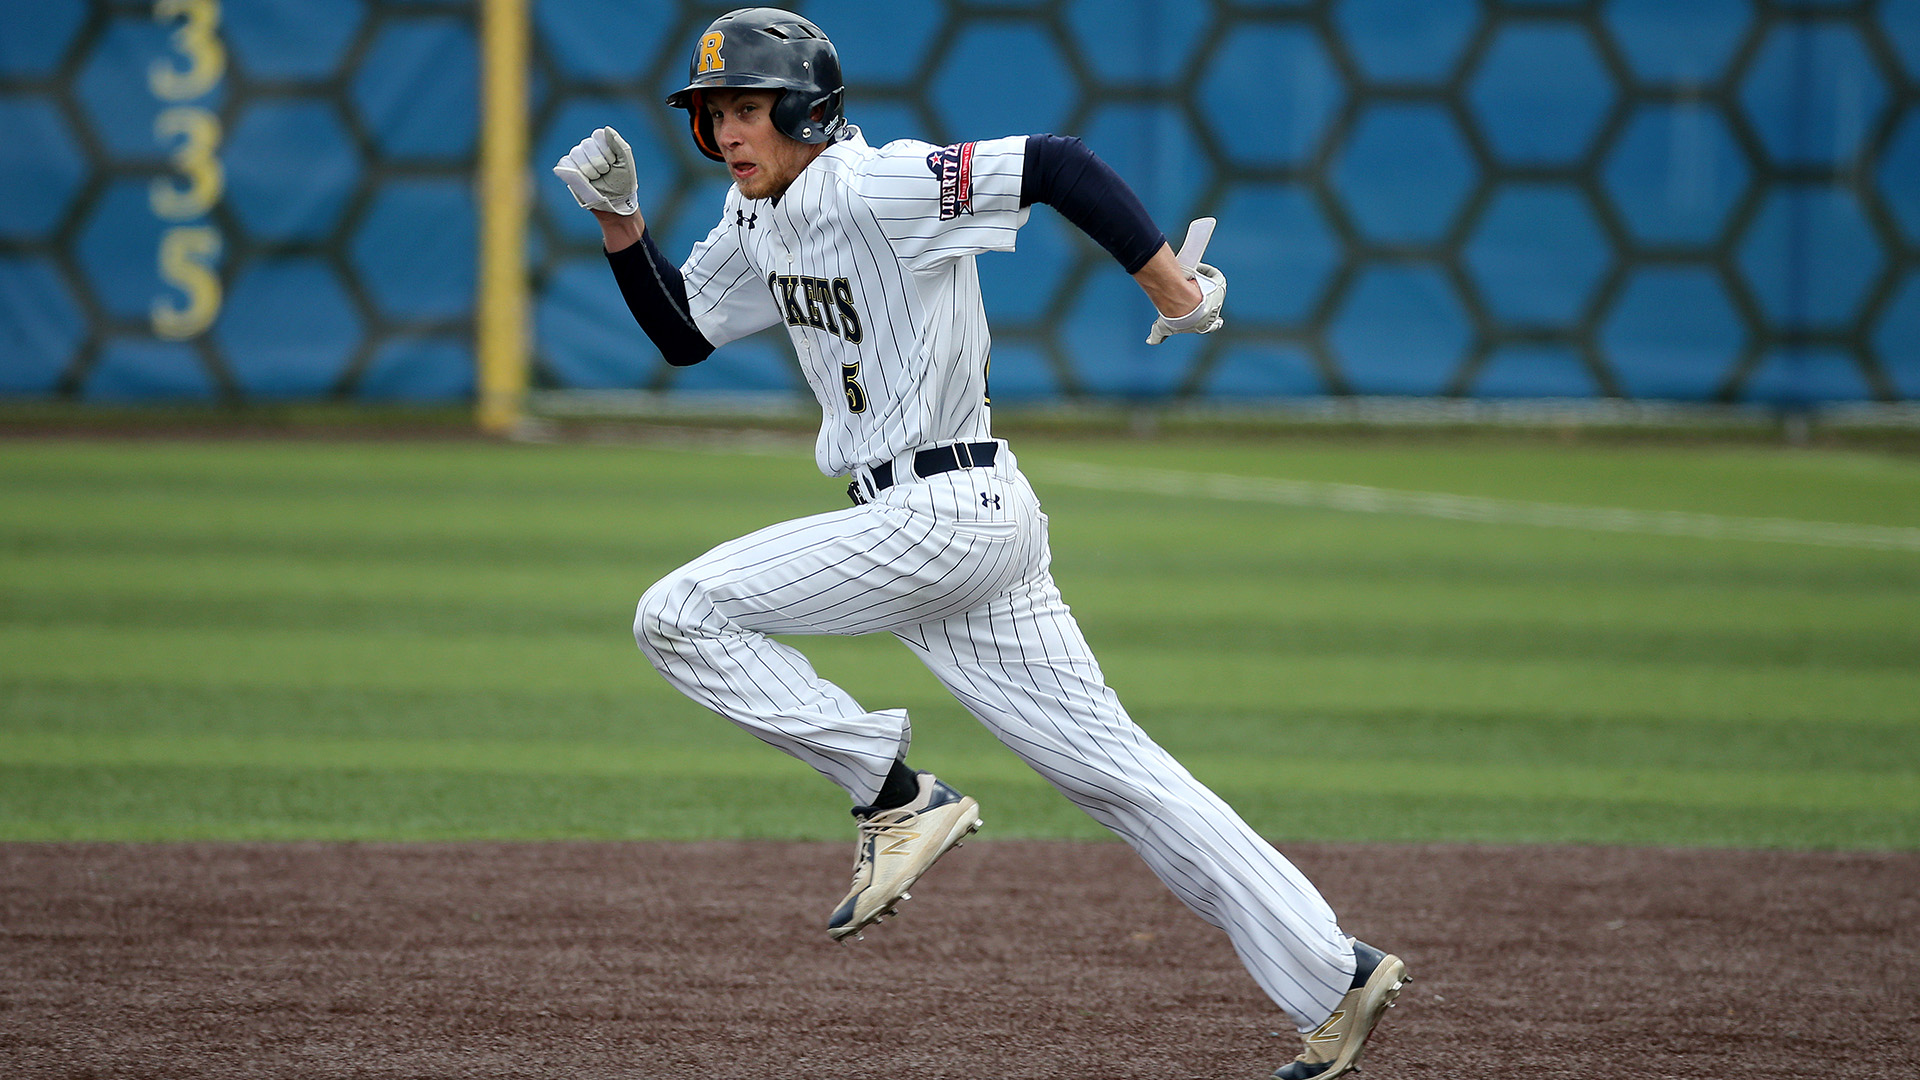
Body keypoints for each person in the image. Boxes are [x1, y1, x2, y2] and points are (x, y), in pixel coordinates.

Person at [551, 8, 1407, 1078]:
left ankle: (896, 794)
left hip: (938, 513)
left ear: (809, 107)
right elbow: (684, 332)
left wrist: (1171, 286)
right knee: (1123, 780)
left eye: (749, 107)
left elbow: (1055, 163)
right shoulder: (755, 216)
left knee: (677, 614)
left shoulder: (878, 184)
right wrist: (624, 228)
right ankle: (1333, 975)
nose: (728, 131)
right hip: (949, 532)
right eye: (714, 111)